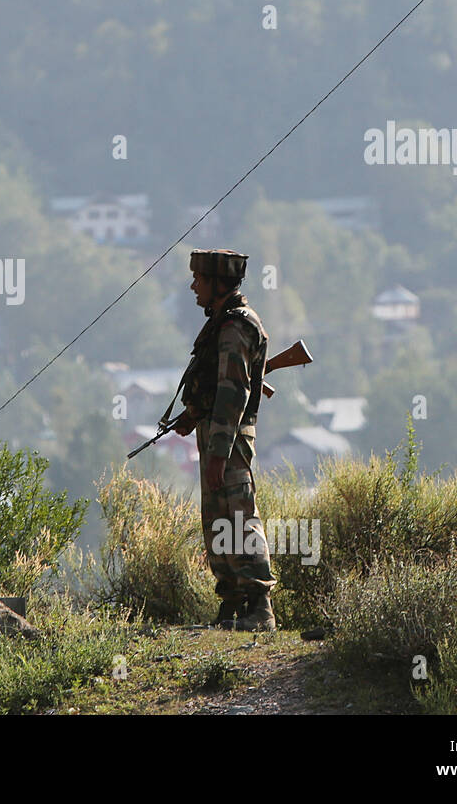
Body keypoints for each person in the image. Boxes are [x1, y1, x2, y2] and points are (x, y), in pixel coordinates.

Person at [167, 248, 277, 631]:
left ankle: (259, 608)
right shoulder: (221, 323)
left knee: (241, 518)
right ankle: (231, 604)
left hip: (227, 440)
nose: (193, 285)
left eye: (199, 279)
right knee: (217, 521)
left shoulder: (235, 326)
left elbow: (233, 392)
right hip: (215, 434)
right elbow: (216, 386)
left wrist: (218, 452)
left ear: (218, 283)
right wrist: (193, 413)